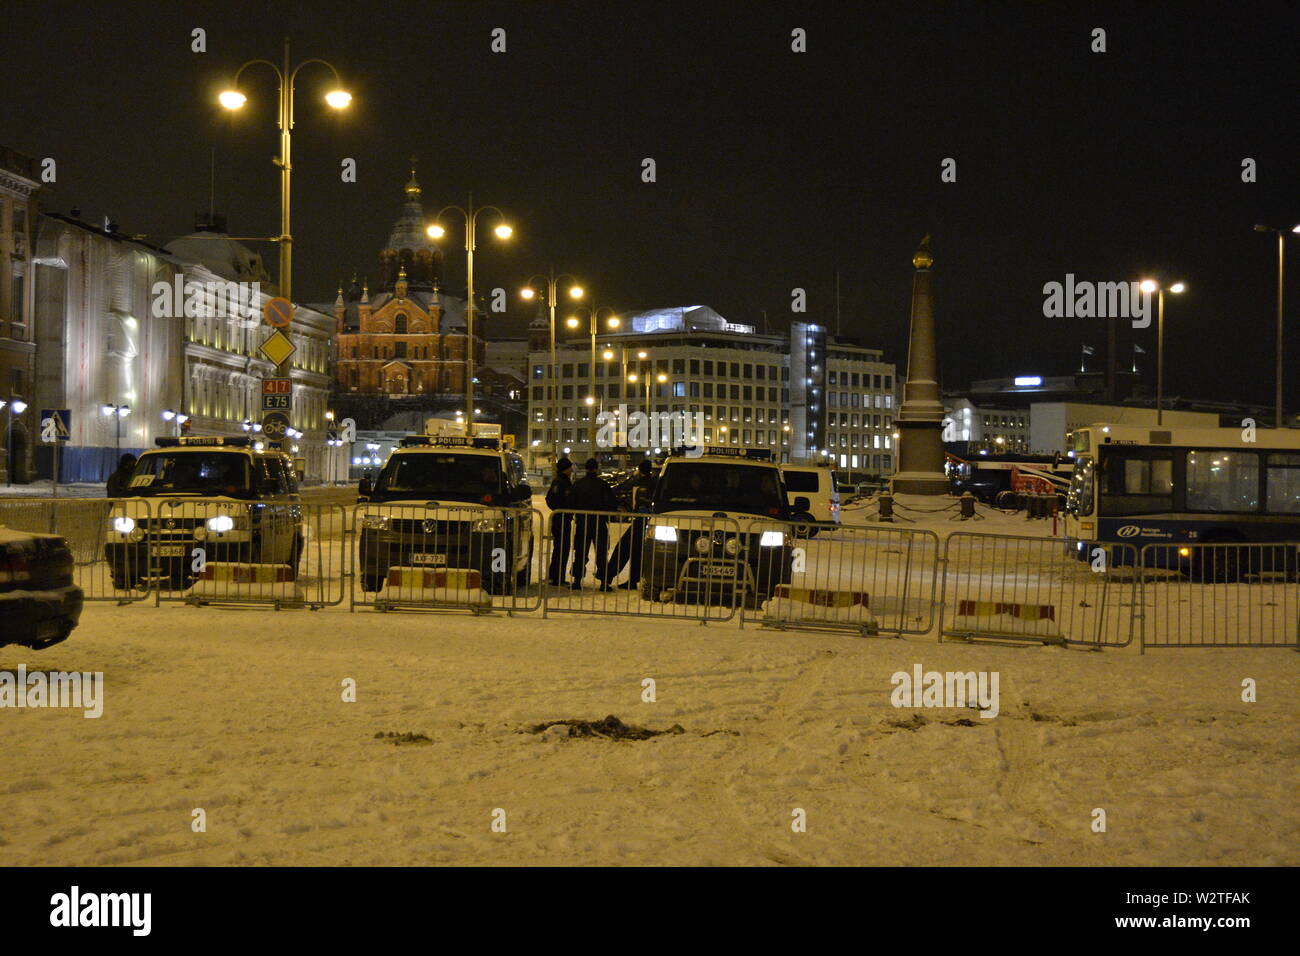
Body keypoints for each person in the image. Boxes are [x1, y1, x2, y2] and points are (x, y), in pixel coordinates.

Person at [568, 457, 621, 590]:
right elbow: (611, 503)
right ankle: (604, 582)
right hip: (599, 522)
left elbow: (571, 502)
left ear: (586, 468)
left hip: (583, 522)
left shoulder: (578, 484)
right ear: (597, 469)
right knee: (602, 554)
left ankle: (577, 581)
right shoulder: (603, 484)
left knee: (580, 552)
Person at [605, 459, 657, 588]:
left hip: (643, 520)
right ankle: (626, 579)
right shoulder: (647, 481)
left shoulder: (648, 483)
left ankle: (610, 575)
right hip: (642, 519)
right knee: (634, 550)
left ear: (641, 470)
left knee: (626, 546)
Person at [545, 458, 574, 587]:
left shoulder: (564, 481)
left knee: (561, 548)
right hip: (561, 519)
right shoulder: (560, 482)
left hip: (562, 518)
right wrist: (560, 510)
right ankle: (556, 577)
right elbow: (550, 499)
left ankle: (556, 576)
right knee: (561, 548)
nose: (572, 470)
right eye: (570, 467)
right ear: (565, 469)